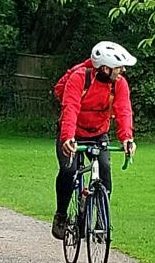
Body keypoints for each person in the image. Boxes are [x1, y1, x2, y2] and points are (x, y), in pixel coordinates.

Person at [51, 40, 137, 240]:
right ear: (105, 68)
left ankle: (101, 220)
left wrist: (127, 138)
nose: (122, 71)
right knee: (68, 170)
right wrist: (68, 138)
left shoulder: (120, 84)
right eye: (119, 68)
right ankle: (61, 215)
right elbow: (70, 108)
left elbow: (124, 111)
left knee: (105, 168)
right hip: (73, 132)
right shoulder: (79, 78)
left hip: (99, 133)